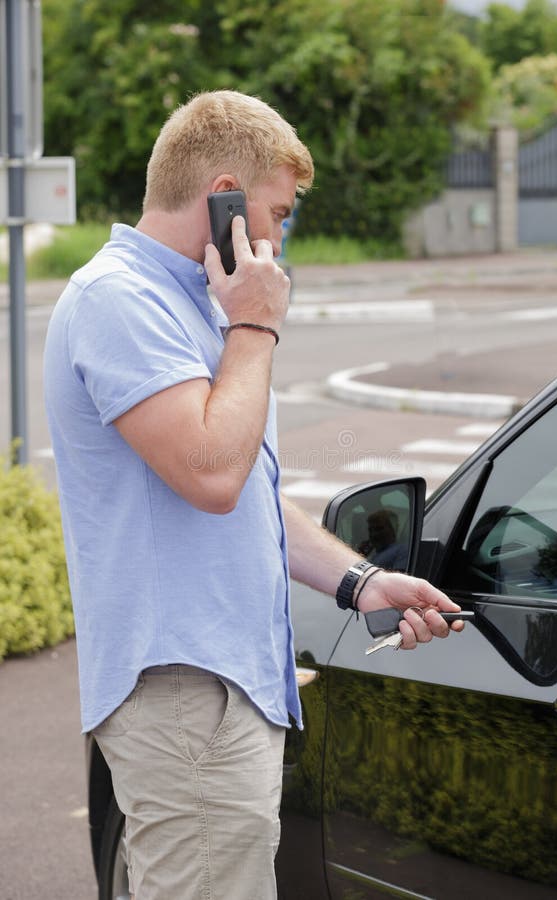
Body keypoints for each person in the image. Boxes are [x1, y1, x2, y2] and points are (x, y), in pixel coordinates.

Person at [43, 89, 464, 900]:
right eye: (279, 212)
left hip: (219, 685)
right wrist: (257, 327)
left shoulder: (192, 304)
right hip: (184, 689)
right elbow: (210, 473)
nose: (281, 238)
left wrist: (361, 582)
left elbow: (246, 493)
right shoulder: (119, 301)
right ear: (224, 197)